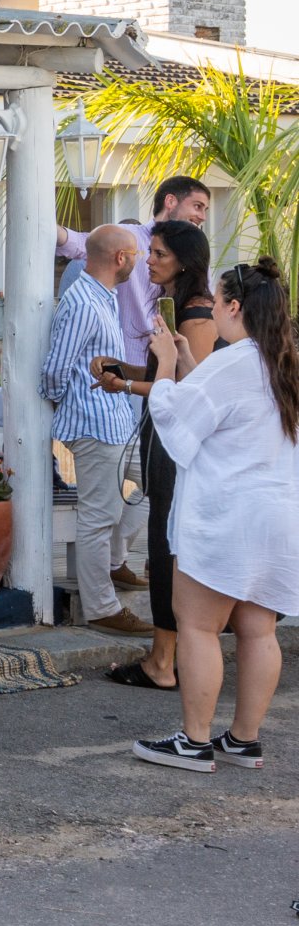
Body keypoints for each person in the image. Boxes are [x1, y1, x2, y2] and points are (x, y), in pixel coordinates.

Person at [130, 259, 299, 771]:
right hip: (276, 513)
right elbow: (224, 409)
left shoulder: (237, 359)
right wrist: (185, 361)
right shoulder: (282, 360)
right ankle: (243, 739)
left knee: (198, 625)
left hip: (227, 515)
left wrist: (162, 363)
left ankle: (194, 739)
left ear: (234, 306)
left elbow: (178, 419)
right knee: (258, 629)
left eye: (218, 299)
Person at [98, 219, 217, 691]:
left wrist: (125, 383)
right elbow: (162, 372)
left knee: (167, 546)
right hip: (163, 440)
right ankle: (169, 656)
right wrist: (120, 369)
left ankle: (164, 660)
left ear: (183, 262)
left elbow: (190, 387)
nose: (149, 259)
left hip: (177, 445)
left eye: (159, 254)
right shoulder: (177, 307)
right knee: (163, 544)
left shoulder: (196, 313)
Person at [42, 224, 154, 635]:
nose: (142, 263)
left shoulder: (102, 296)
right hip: (95, 424)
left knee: (153, 488)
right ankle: (102, 606)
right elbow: (55, 368)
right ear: (120, 258)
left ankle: (114, 561)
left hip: (117, 420)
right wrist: (66, 405)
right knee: (98, 516)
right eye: (138, 256)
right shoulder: (84, 302)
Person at [53, 174, 212, 362]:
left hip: (173, 371)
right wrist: (43, 221)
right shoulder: (129, 237)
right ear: (170, 201)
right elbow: (80, 243)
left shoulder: (195, 253)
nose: (202, 217)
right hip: (125, 368)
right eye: (197, 206)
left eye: (206, 210)